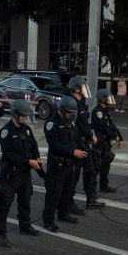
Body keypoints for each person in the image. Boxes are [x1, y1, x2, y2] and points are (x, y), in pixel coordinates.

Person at [0, 99, 43, 244]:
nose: (25, 118)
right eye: (23, 115)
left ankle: (25, 226)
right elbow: (9, 155)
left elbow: (33, 145)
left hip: (25, 173)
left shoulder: (26, 129)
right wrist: (28, 161)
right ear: (15, 114)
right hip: (11, 174)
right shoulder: (5, 132)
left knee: (25, 201)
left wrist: (37, 157)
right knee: (4, 204)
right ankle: (1, 234)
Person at [42, 96, 89, 231]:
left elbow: (76, 137)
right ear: (62, 110)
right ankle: (48, 220)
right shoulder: (52, 124)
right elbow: (55, 145)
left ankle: (63, 213)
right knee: (54, 193)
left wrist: (83, 147)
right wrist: (73, 151)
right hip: (58, 165)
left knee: (67, 191)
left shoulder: (69, 122)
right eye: (69, 112)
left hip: (70, 164)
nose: (70, 115)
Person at [67, 76, 100, 209]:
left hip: (83, 143)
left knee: (90, 170)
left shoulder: (79, 103)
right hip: (76, 144)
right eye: (82, 87)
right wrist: (91, 135)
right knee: (73, 176)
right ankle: (69, 203)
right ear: (76, 89)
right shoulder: (72, 104)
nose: (84, 90)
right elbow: (80, 125)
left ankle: (91, 199)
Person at [91, 89, 124, 193]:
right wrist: (114, 136)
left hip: (106, 143)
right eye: (107, 98)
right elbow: (104, 127)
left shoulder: (106, 111)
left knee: (106, 166)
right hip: (100, 143)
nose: (109, 100)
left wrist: (119, 137)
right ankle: (91, 191)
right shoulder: (98, 111)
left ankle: (104, 185)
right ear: (102, 99)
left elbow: (112, 125)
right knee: (96, 167)